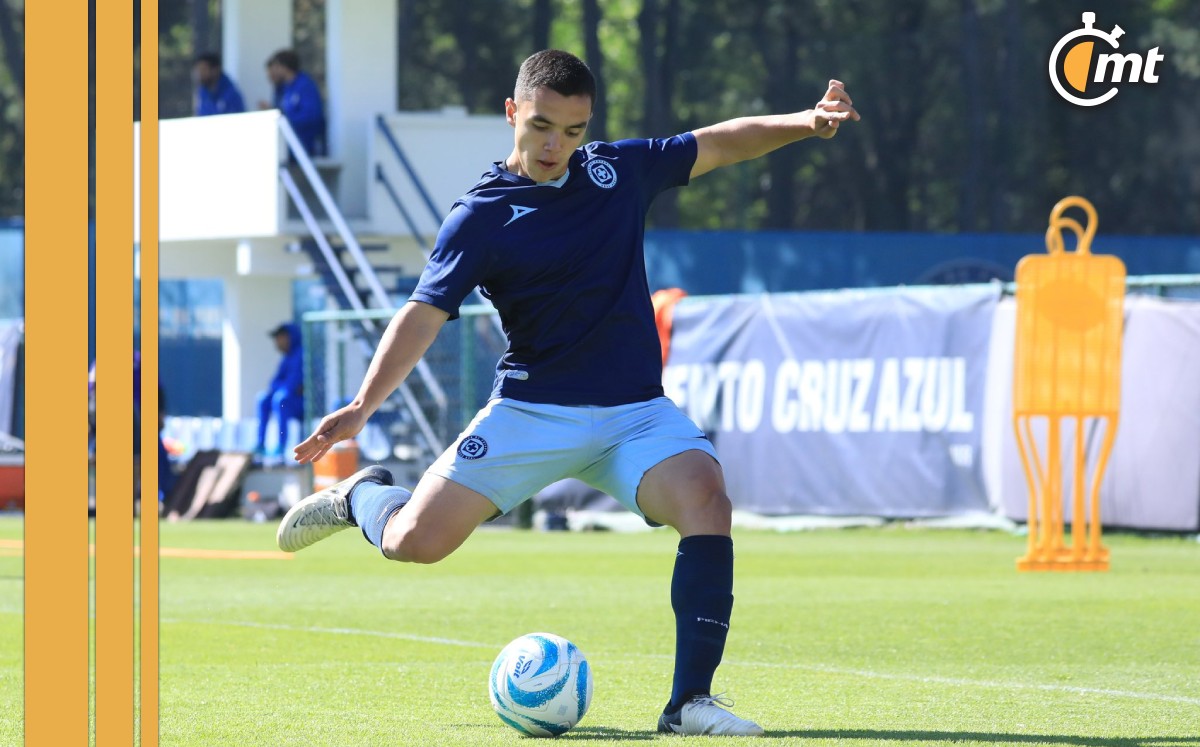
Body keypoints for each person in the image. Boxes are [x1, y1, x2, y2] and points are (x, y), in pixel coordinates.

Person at [277, 49, 858, 736]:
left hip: (636, 414)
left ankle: (689, 703)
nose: (557, 145)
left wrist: (805, 121)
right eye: (543, 125)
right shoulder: (480, 216)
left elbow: (719, 142)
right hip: (532, 411)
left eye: (574, 130)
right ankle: (363, 496)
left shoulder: (617, 172)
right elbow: (422, 314)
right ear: (512, 113)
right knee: (415, 542)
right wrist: (361, 406)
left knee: (707, 497)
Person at [260, 49, 327, 156]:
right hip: (287, 148)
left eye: (276, 67)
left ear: (284, 67)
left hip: (305, 148)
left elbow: (311, 117)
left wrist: (282, 118)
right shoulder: (281, 88)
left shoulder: (305, 85)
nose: (273, 71)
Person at [254, 322, 304, 461]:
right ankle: (260, 444)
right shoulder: (286, 358)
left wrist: (280, 388)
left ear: (290, 337)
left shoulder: (302, 354)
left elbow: (294, 384)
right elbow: (274, 382)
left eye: (280, 337)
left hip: (302, 403)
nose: (277, 342)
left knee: (280, 399)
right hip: (287, 398)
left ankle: (281, 446)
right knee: (263, 399)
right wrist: (279, 387)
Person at [192, 52, 246, 116]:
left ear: (215, 70)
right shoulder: (202, 92)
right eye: (198, 70)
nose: (200, 74)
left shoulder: (231, 94)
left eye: (203, 69)